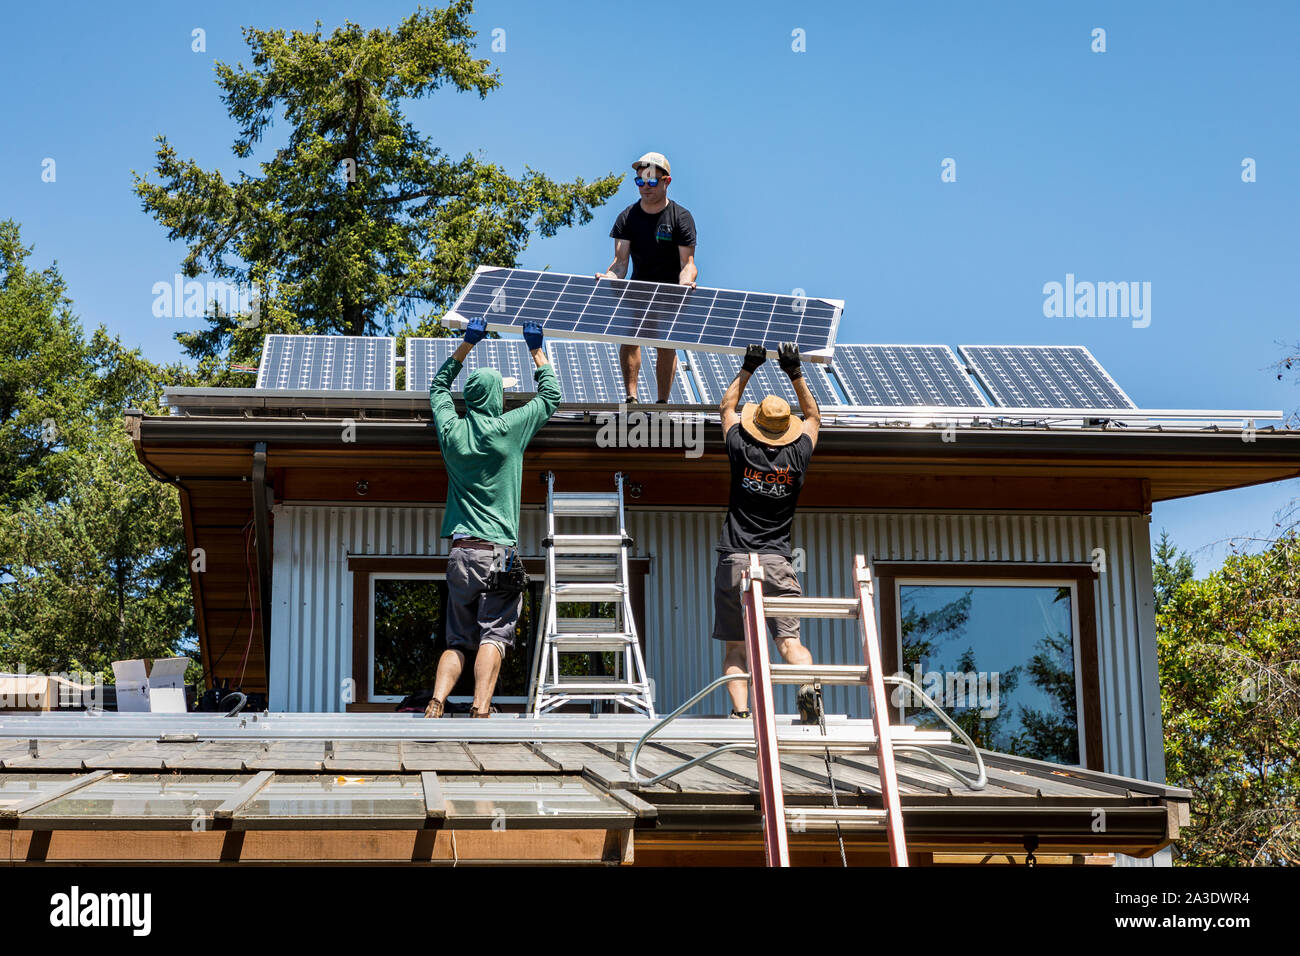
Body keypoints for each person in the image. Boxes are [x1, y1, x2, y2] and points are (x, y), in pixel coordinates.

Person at [424, 317, 561, 718]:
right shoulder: (510, 428)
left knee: (457, 639)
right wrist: (536, 348)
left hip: (461, 552)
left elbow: (436, 388)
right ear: (497, 398)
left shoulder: (452, 430)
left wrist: (467, 343)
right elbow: (550, 395)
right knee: (494, 634)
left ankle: (437, 701)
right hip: (497, 554)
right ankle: (481, 709)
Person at [712, 342, 823, 723]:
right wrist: (794, 370)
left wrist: (749, 367)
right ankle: (807, 685)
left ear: (756, 423)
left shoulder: (741, 447)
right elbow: (814, 417)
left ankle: (741, 714)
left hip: (735, 559)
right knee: (789, 641)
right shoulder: (798, 455)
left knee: (736, 649)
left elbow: (726, 408)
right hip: (777, 561)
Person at [597, 151, 697, 403]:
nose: (645, 187)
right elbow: (620, 264)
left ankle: (662, 402)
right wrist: (609, 276)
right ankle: (632, 399)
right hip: (639, 289)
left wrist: (685, 283)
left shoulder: (680, 217)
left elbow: (688, 264)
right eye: (640, 181)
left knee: (666, 343)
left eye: (651, 182)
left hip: (670, 291)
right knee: (629, 337)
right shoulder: (627, 218)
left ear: (667, 182)